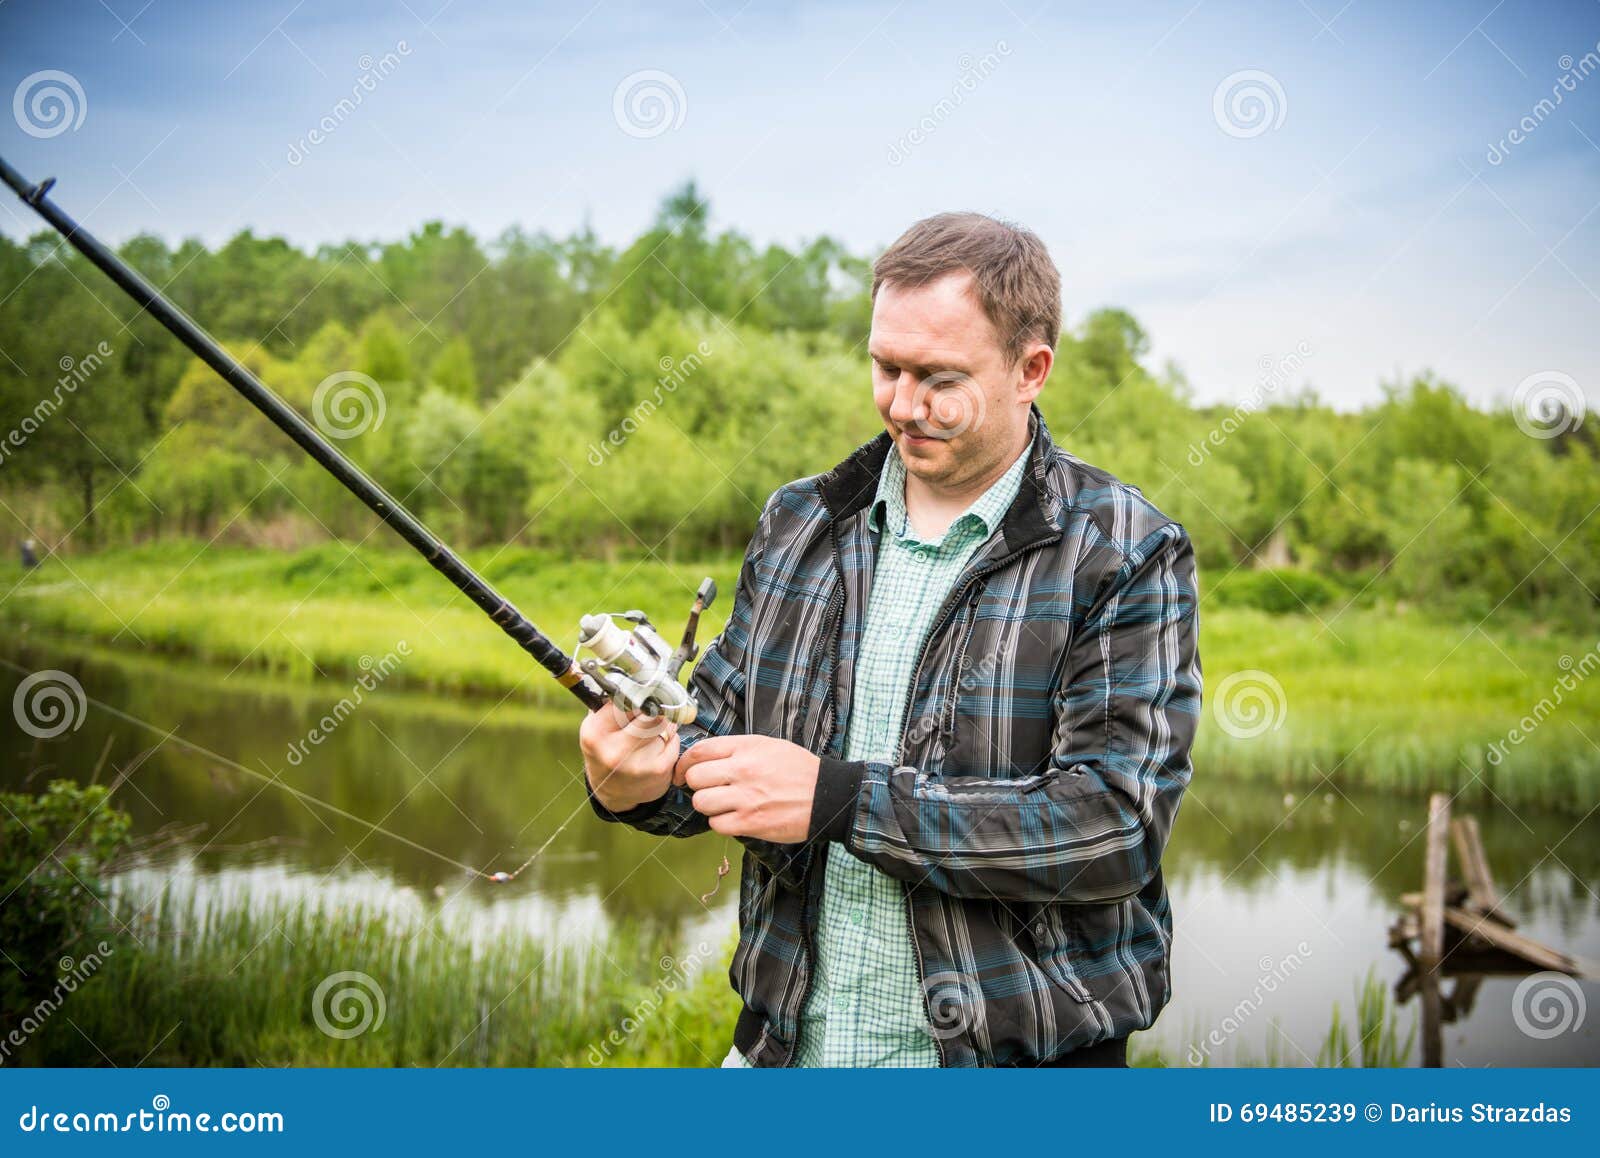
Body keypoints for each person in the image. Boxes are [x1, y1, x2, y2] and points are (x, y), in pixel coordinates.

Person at [581, 212, 1202, 1068]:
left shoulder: (1125, 550)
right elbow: (715, 738)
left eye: (938, 378)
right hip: (780, 1053)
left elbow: (1112, 828)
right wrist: (638, 781)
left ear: (1032, 370)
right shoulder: (801, 519)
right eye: (886, 367)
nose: (903, 405)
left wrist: (842, 801)